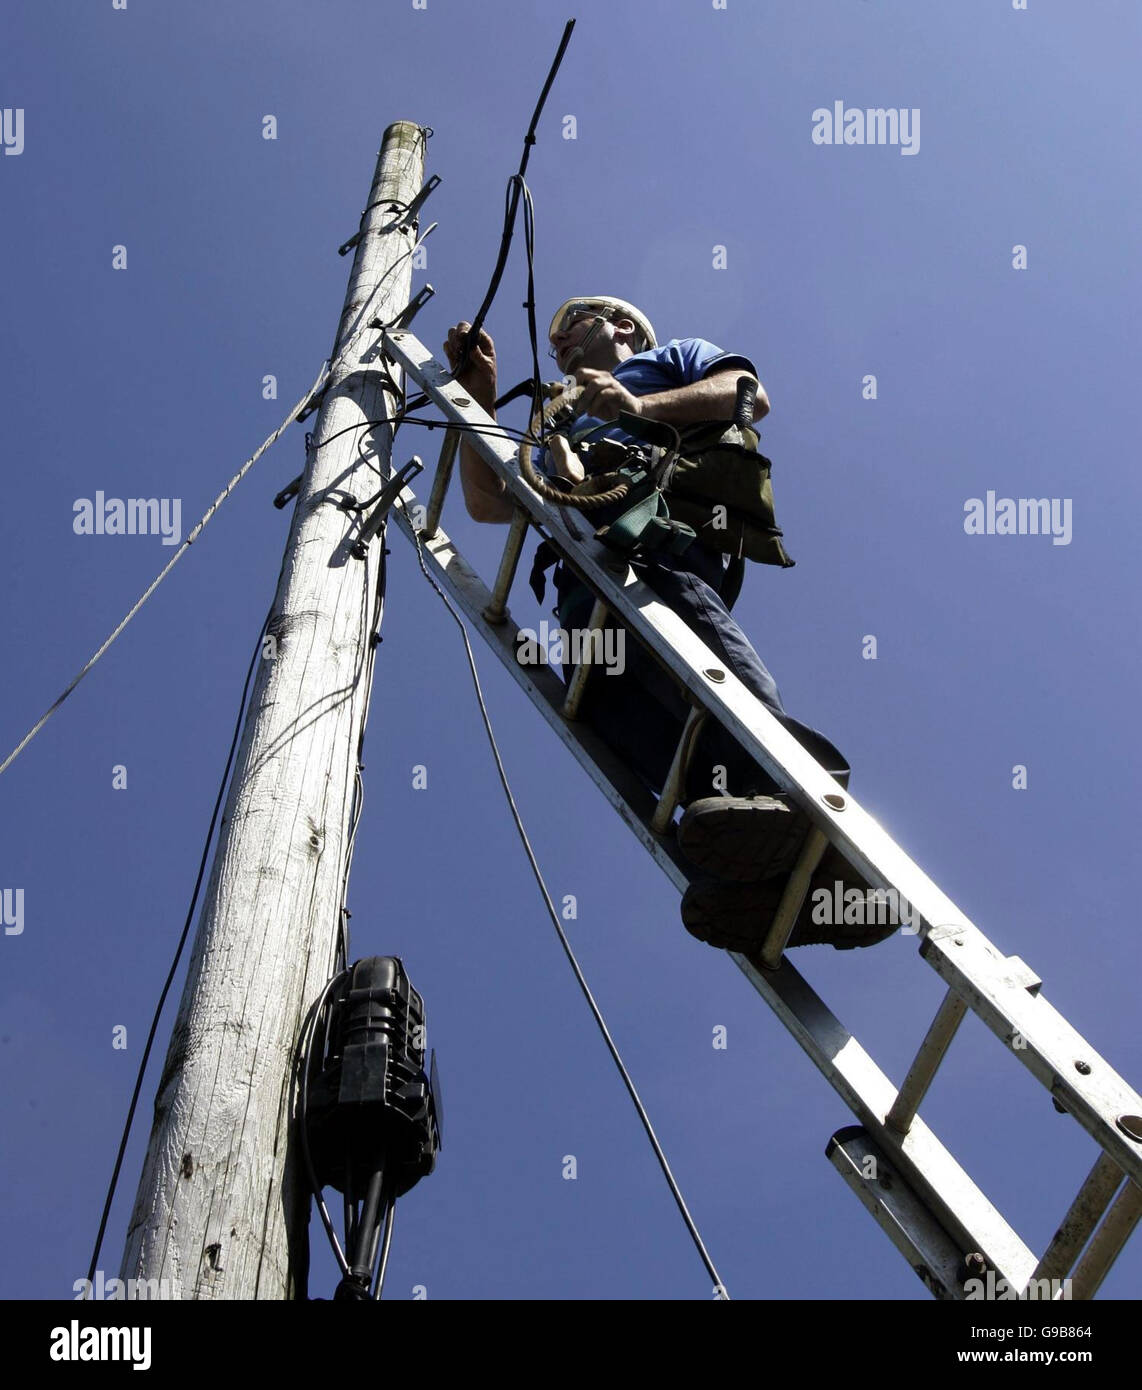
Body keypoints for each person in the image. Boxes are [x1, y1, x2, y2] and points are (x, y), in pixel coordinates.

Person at [443, 298, 895, 954]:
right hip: (584, 598)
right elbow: (487, 504)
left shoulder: (671, 359)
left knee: (704, 666)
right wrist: (477, 400)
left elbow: (749, 397)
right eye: (554, 335)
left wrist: (638, 406)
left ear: (620, 325)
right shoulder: (557, 418)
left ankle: (804, 809)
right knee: (626, 726)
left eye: (571, 323)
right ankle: (774, 887)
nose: (558, 340)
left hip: (650, 545)